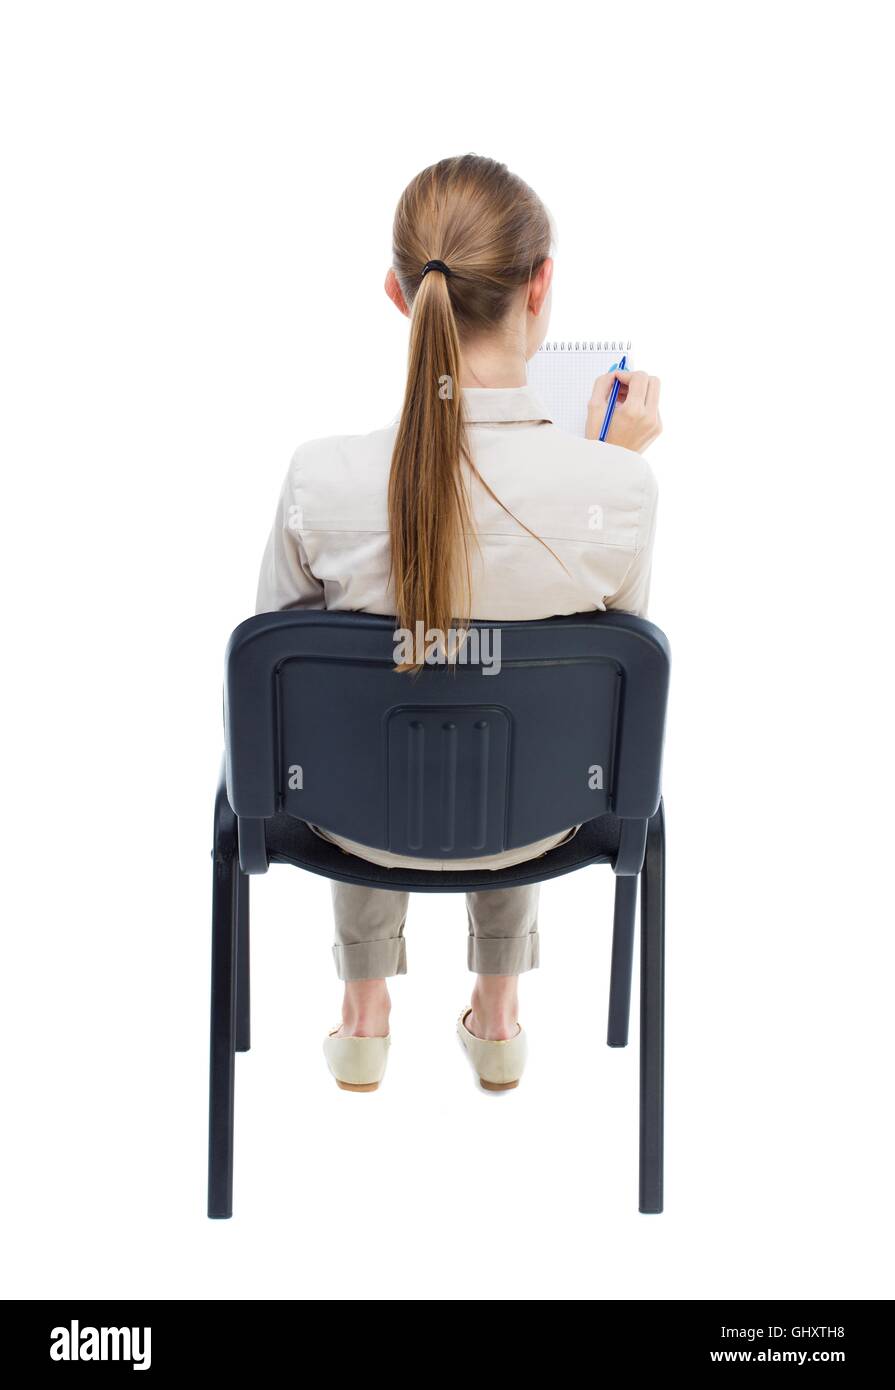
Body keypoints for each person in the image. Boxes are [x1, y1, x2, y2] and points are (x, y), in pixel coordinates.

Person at [255, 154, 661, 1093]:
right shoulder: (620, 489)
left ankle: (362, 1016)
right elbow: (599, 694)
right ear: (541, 282)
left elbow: (287, 677)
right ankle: (502, 1013)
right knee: (517, 713)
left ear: (400, 297)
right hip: (541, 818)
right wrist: (601, 466)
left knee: (368, 707)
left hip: (352, 819)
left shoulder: (320, 478)